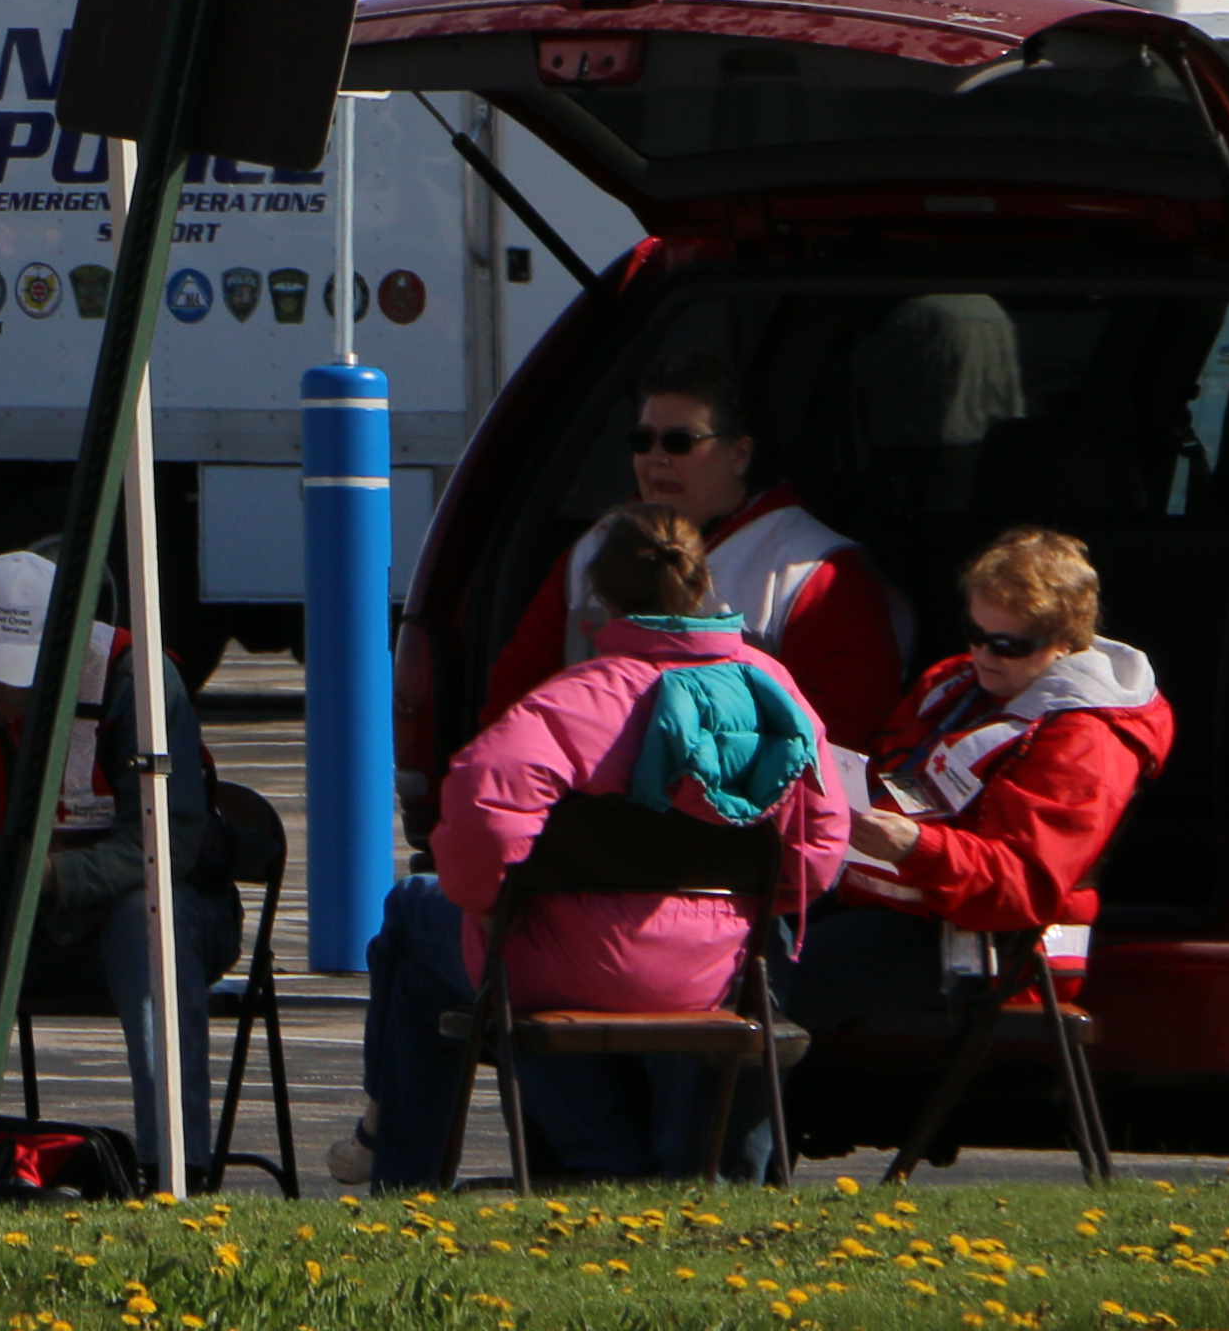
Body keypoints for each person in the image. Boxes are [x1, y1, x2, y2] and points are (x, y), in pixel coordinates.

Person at [353, 504, 856, 1185]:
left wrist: (493, 901)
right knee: (474, 951)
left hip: (559, 966)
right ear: (703, 583)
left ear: (601, 597)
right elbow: (818, 853)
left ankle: (410, 1176)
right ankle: (622, 1167)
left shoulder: (565, 705)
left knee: (422, 923)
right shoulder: (776, 696)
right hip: (720, 970)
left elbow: (481, 828)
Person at [0, 544, 237, 1160]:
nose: (4, 692)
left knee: (148, 919)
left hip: (126, 919)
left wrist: (50, 878)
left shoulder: (132, 679)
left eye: (21, 674)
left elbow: (171, 839)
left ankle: (172, 1170)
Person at [789, 526, 1173, 1041]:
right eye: (976, 634)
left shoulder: (1087, 738)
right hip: (891, 904)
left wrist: (915, 847)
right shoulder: (951, 684)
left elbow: (1024, 885)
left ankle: (721, 1124)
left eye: (1011, 646)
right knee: (715, 957)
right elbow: (889, 773)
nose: (986, 656)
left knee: (764, 989)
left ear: (1065, 643)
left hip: (986, 948)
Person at [477, 370, 907, 755]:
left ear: (740, 455)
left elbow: (841, 737)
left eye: (679, 442)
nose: (656, 457)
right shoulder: (595, 547)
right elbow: (516, 692)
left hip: (740, 825)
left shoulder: (815, 570)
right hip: (591, 813)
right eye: (641, 441)